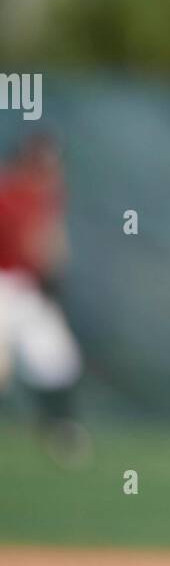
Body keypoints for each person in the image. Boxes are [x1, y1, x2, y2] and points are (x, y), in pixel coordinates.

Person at [0, 132, 90, 466]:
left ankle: (60, 431)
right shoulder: (10, 192)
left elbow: (49, 243)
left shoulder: (47, 193)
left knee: (55, 359)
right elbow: (39, 243)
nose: (51, 170)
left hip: (30, 289)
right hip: (5, 285)